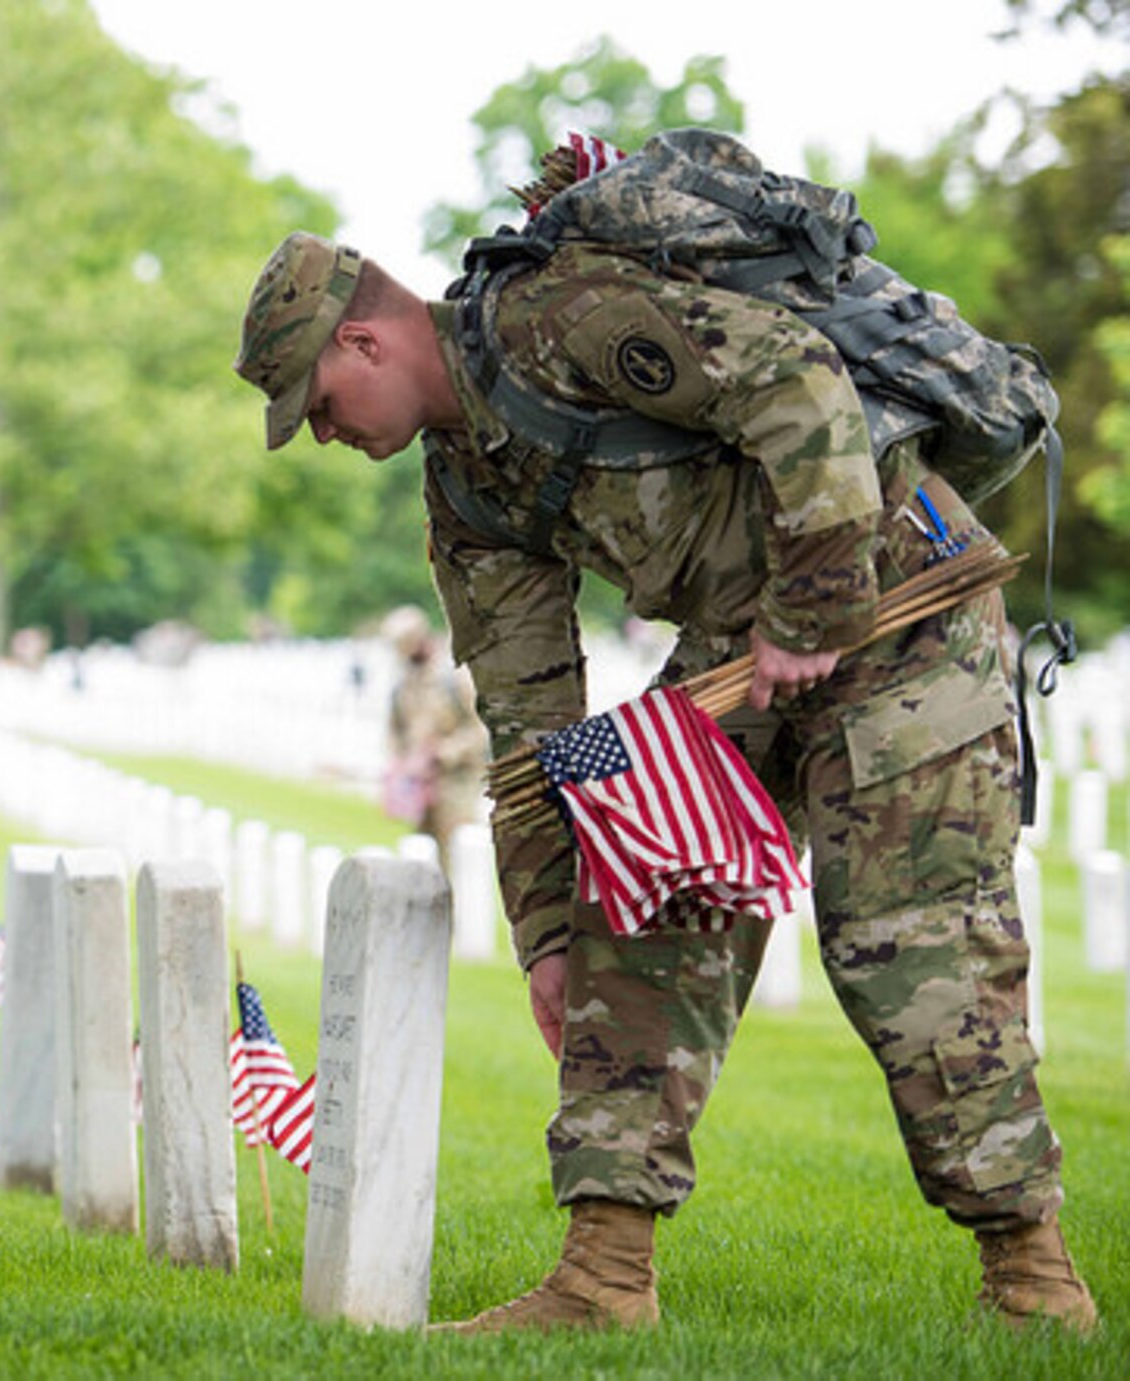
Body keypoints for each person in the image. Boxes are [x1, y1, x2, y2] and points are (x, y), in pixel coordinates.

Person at [233, 227, 1095, 1334]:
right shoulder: (464, 493)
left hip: (894, 603)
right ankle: (601, 1280)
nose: (322, 434)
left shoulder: (562, 322)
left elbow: (800, 384)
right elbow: (526, 728)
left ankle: (1031, 1279)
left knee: (907, 941)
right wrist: (548, 933)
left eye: (316, 402)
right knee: (638, 904)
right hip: (747, 655)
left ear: (363, 338)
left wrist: (809, 606)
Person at [378, 603, 488, 860]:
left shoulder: (454, 677)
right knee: (424, 857)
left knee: (458, 855)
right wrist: (402, 762)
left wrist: (445, 752)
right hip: (419, 786)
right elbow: (395, 730)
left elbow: (480, 728)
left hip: (456, 783)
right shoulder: (403, 685)